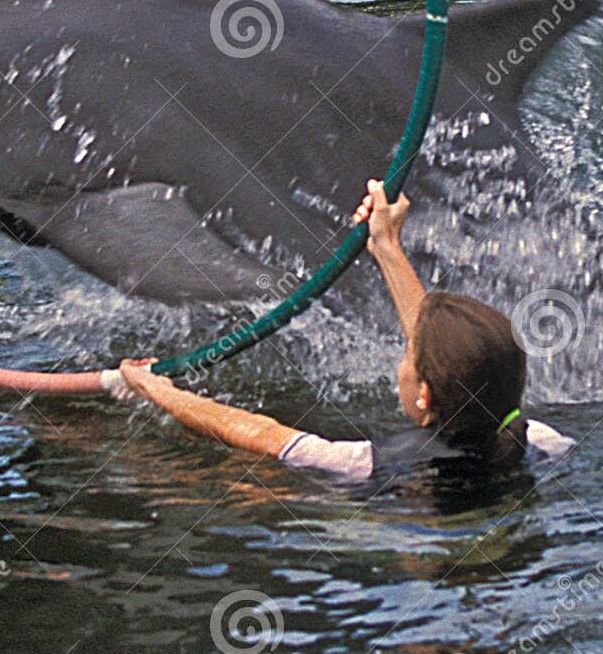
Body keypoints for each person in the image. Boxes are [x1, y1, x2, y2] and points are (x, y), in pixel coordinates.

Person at [118, 180, 574, 485]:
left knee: (244, 487)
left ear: (426, 397)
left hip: (420, 581)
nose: (403, 355)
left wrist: (157, 390)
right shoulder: (545, 442)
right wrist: (386, 245)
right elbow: (450, 355)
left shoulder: (361, 465)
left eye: (408, 356)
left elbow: (257, 433)